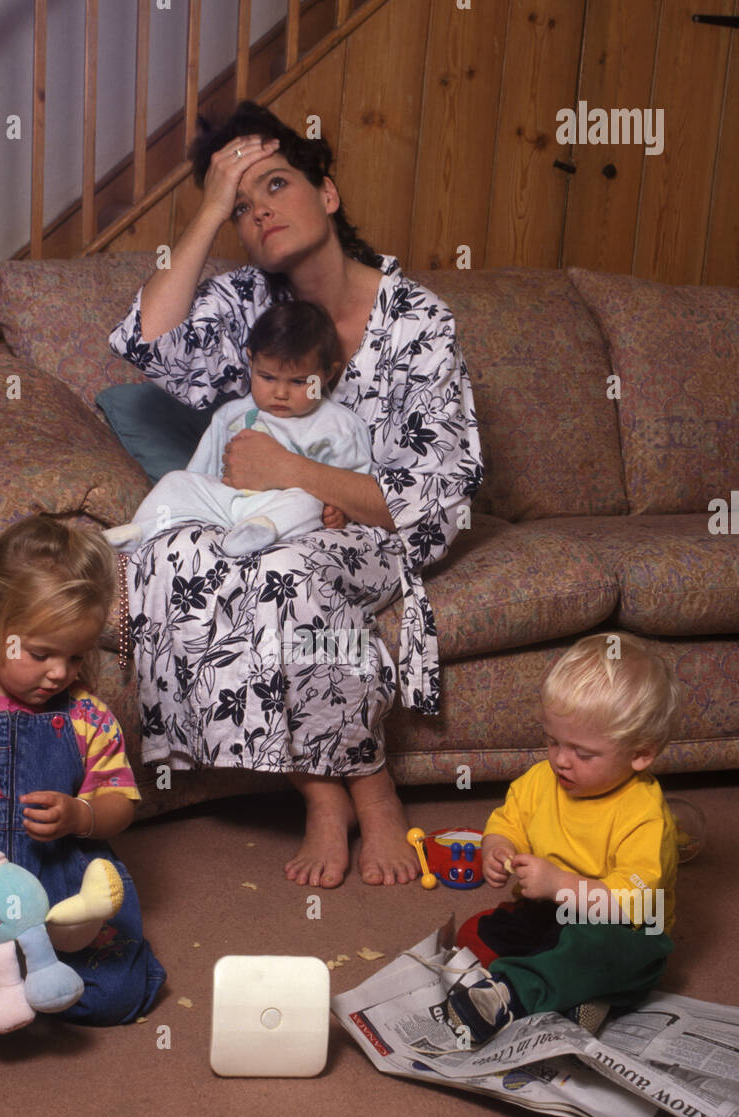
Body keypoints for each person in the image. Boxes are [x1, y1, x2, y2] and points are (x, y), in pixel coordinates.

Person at [109, 100, 483, 890]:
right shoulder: (251, 302)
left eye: (275, 184)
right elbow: (153, 341)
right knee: (172, 551)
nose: (259, 212)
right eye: (243, 207)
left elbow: (431, 500)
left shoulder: (415, 321)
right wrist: (210, 206)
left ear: (329, 193)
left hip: (362, 528)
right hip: (257, 519)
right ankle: (318, 790)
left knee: (293, 568)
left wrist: (299, 475)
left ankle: (368, 788)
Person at [0, 516, 166, 1032]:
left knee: (116, 996)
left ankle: (25, 986)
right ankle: (19, 985)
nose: (61, 672)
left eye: (76, 655)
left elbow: (119, 803)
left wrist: (80, 815)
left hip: (61, 886)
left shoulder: (87, 715)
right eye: (42, 653)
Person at [446, 633, 680, 1043]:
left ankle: (513, 995)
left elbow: (635, 902)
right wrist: (497, 847)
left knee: (599, 951)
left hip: (618, 929)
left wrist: (559, 884)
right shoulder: (542, 780)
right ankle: (576, 994)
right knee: (475, 932)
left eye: (583, 754)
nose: (560, 760)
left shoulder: (644, 814)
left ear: (640, 754)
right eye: (553, 741)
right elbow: (508, 821)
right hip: (547, 913)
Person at [105, 300, 373, 559]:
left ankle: (253, 536)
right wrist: (193, 493)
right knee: (176, 481)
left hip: (280, 512)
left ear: (327, 373)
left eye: (299, 382)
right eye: (267, 377)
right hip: (226, 502)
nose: (280, 393)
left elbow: (352, 486)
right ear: (250, 361)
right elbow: (201, 473)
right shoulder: (230, 416)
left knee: (306, 502)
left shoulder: (339, 427)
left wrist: (340, 513)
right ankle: (145, 531)